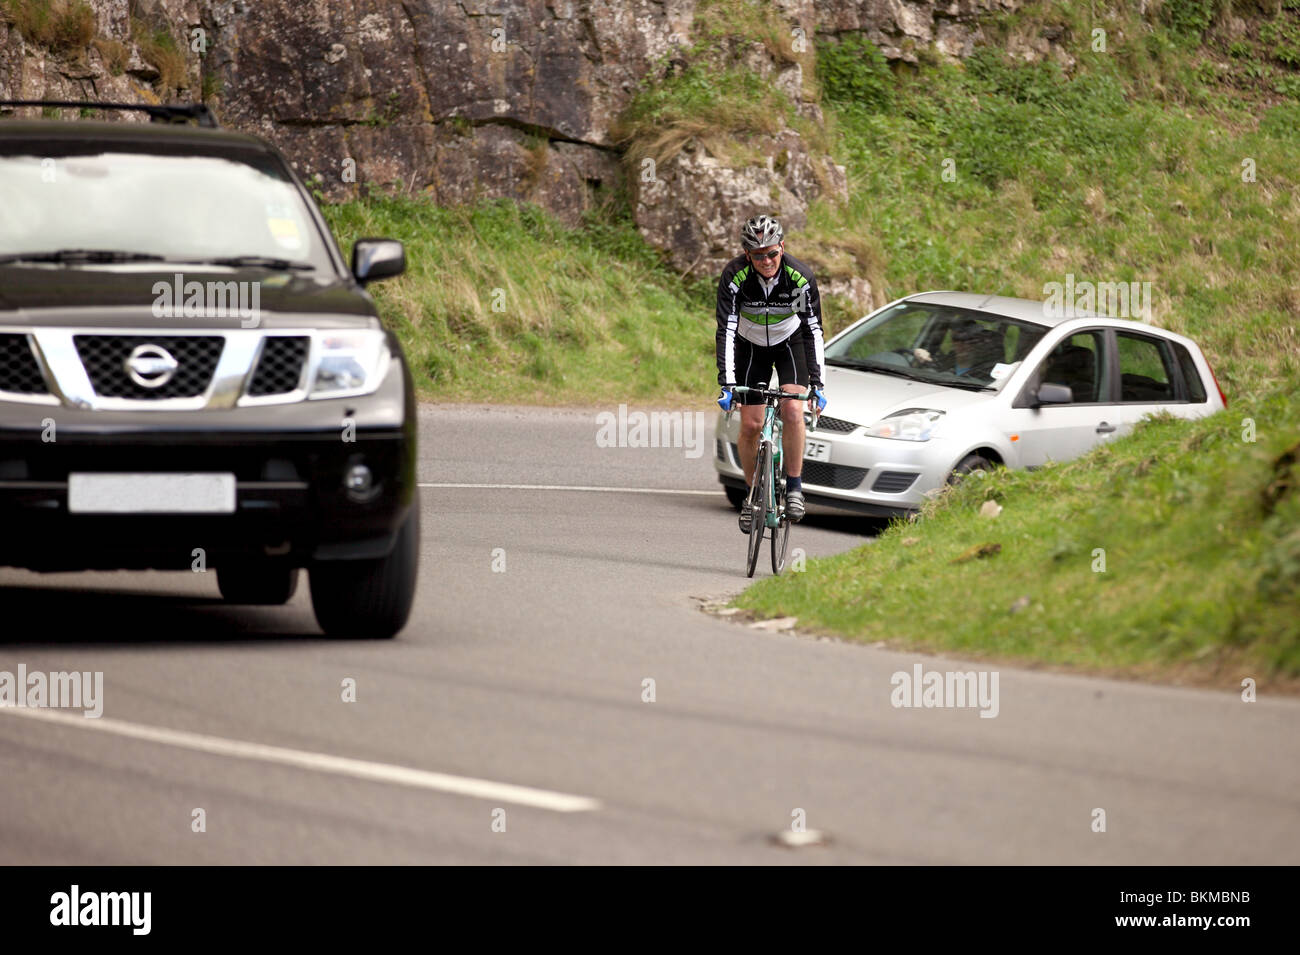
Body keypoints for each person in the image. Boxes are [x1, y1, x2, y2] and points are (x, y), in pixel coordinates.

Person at [715, 214, 827, 533]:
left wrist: (818, 383)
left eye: (772, 253)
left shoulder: (799, 277)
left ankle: (794, 486)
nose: (766, 261)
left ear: (782, 247)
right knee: (750, 425)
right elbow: (727, 329)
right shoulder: (735, 276)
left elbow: (814, 329)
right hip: (749, 347)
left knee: (792, 409)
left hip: (790, 343)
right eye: (758, 255)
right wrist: (728, 384)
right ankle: (752, 496)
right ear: (747, 255)